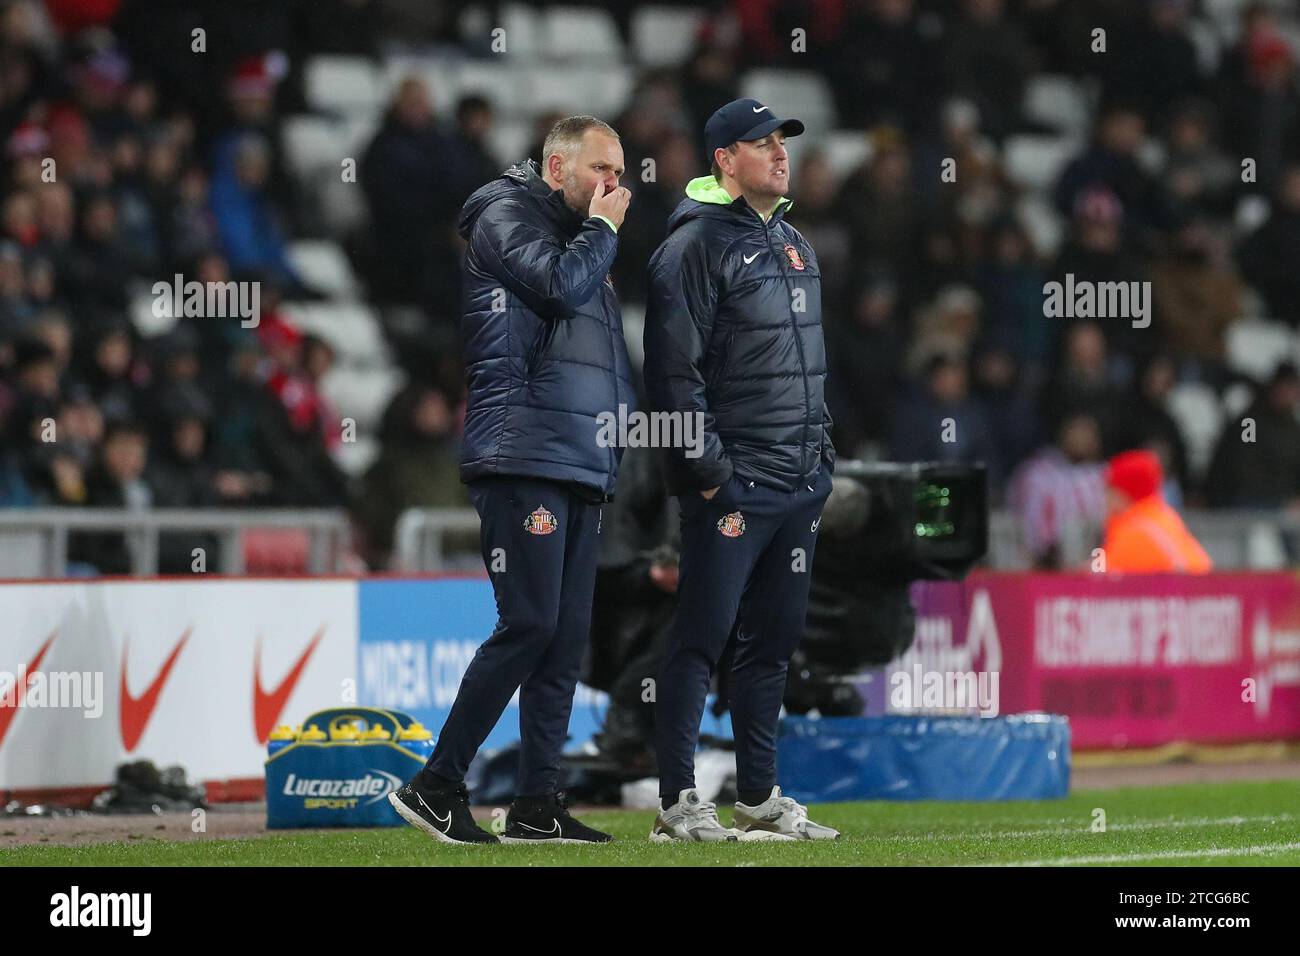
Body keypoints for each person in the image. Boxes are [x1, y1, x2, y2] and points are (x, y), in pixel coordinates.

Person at [387, 116, 634, 845]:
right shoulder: (503, 213)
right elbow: (557, 290)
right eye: (600, 168)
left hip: (579, 456)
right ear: (556, 167)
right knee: (528, 622)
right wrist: (603, 233)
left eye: (618, 171)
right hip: (522, 448)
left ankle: (536, 803)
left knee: (564, 640)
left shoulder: (584, 236)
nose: (612, 185)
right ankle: (437, 783)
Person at [643, 99, 839, 842]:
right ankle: (677, 804)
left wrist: (822, 450)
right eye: (762, 143)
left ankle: (758, 800)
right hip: (735, 484)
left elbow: (811, 364)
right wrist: (707, 470)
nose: (779, 153)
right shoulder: (692, 246)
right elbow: (670, 372)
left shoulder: (794, 242)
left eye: (782, 142)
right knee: (700, 639)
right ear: (724, 159)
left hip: (797, 483)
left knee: (772, 644)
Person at [1101, 449, 1211, 573]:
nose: (1105, 498)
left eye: (1110, 490)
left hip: (1179, 590)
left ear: (1123, 494)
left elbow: (1099, 579)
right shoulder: (1160, 516)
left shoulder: (1137, 530)